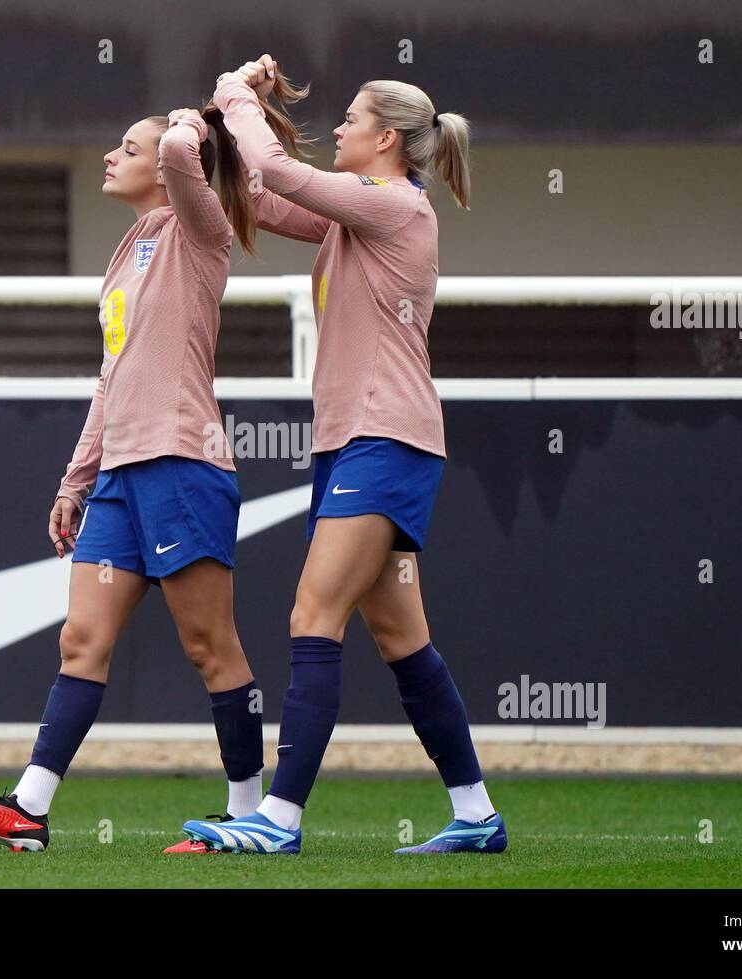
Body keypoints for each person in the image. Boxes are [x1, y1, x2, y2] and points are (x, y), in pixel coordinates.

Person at [181, 56, 507, 855]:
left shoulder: (391, 205)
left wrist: (232, 96)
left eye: (353, 120)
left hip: (383, 441)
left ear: (387, 139)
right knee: (401, 639)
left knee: (311, 614)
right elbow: (256, 192)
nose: (339, 129)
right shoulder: (356, 213)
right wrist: (229, 119)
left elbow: (279, 170)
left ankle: (279, 820)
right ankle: (476, 815)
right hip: (360, 445)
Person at [0, 106, 265, 853]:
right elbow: (111, 379)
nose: (112, 156)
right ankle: (29, 805)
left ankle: (252, 812)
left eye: (130, 147)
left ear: (172, 163)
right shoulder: (127, 251)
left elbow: (186, 150)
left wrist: (190, 117)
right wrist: (74, 481)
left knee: (211, 644)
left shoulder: (198, 231)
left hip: (182, 462)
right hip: (118, 476)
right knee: (81, 638)